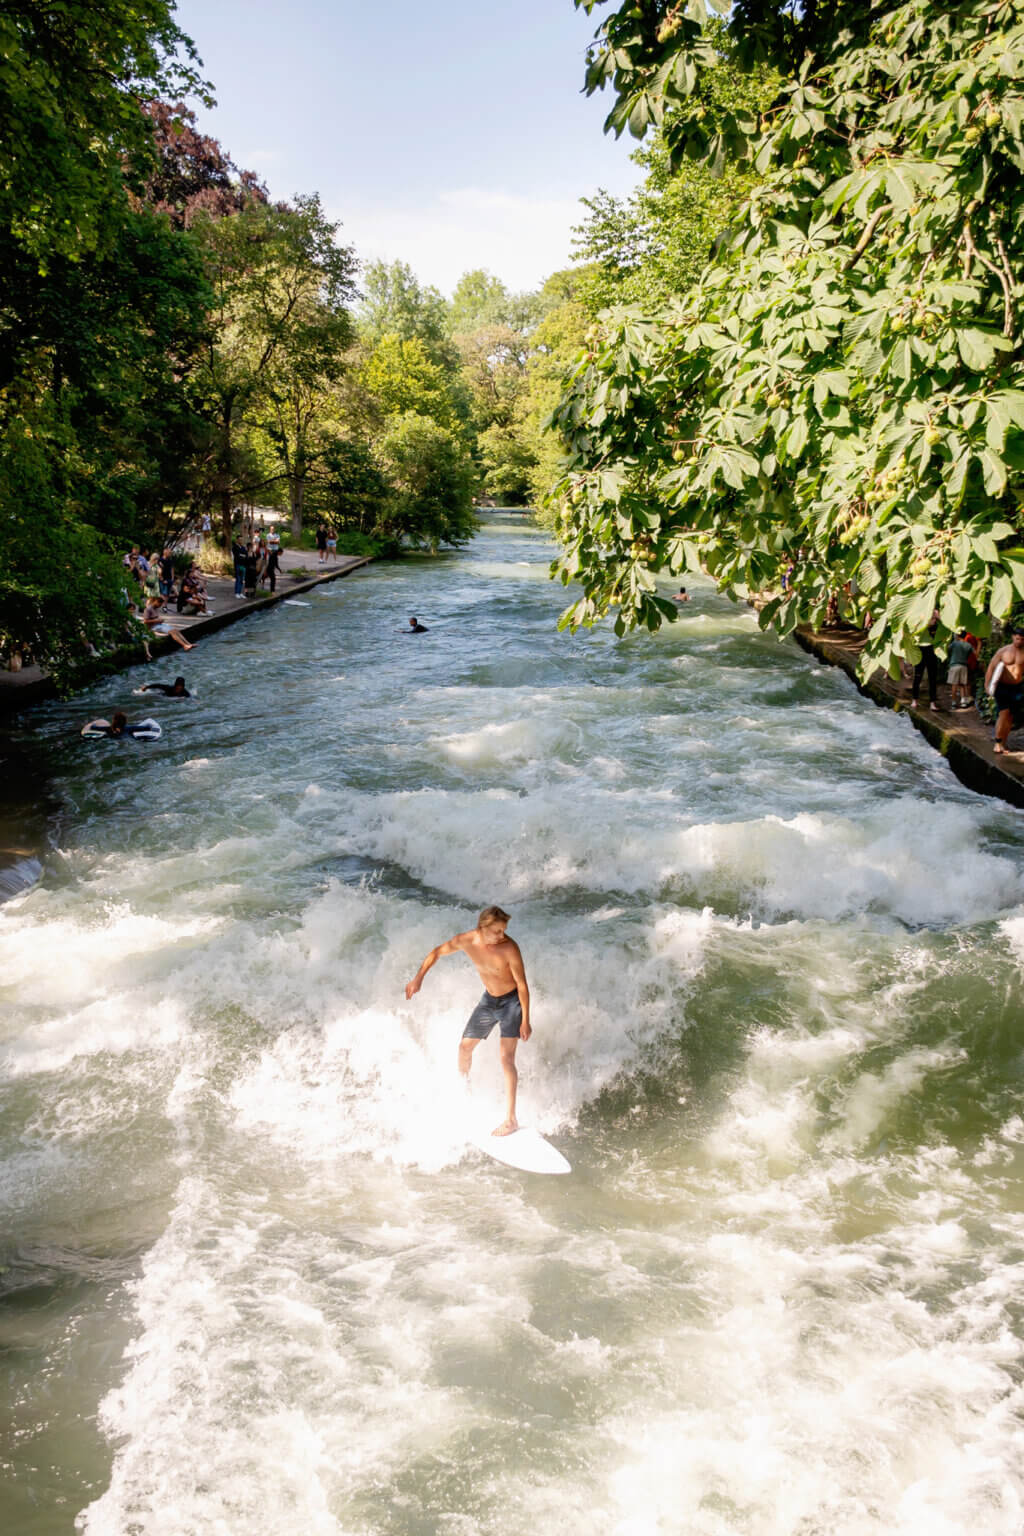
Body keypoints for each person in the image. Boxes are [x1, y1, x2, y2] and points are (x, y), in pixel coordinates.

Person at [405, 905, 531, 1137]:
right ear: (482, 928)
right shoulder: (466, 941)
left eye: (504, 930)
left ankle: (511, 1120)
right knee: (464, 1048)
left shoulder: (509, 948)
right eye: (497, 931)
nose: (502, 935)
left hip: (511, 1003)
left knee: (506, 1058)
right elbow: (436, 952)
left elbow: (522, 985)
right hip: (488, 1002)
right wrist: (418, 978)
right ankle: (462, 1091)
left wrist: (526, 1020)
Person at [985, 623, 1024, 754]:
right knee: (1004, 713)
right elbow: (991, 667)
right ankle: (997, 742)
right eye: (1017, 638)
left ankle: (1003, 743)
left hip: (1017, 687)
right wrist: (987, 685)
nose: (1019, 641)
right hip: (1002, 686)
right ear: (1013, 637)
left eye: (1022, 639)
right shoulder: (1004, 651)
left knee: (1010, 717)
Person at [911, 610, 940, 711]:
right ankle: (914, 699)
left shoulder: (936, 625)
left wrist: (938, 616)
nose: (934, 620)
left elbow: (947, 625)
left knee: (932, 678)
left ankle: (932, 702)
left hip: (932, 651)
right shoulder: (921, 623)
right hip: (921, 649)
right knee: (918, 677)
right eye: (932, 619)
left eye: (934, 619)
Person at [947, 630, 975, 710]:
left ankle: (953, 702)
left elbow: (948, 650)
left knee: (954, 684)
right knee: (962, 684)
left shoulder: (955, 643)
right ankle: (963, 702)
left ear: (958, 635)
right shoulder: (968, 645)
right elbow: (973, 653)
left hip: (954, 665)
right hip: (964, 666)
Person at [232, 534, 248, 599]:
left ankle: (240, 592)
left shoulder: (243, 547)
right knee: (238, 579)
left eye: (242, 539)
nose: (241, 540)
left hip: (243, 565)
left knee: (242, 579)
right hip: (237, 564)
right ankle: (236, 593)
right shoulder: (235, 547)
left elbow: (246, 555)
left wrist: (242, 555)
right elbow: (237, 555)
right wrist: (242, 555)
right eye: (240, 539)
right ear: (237, 540)